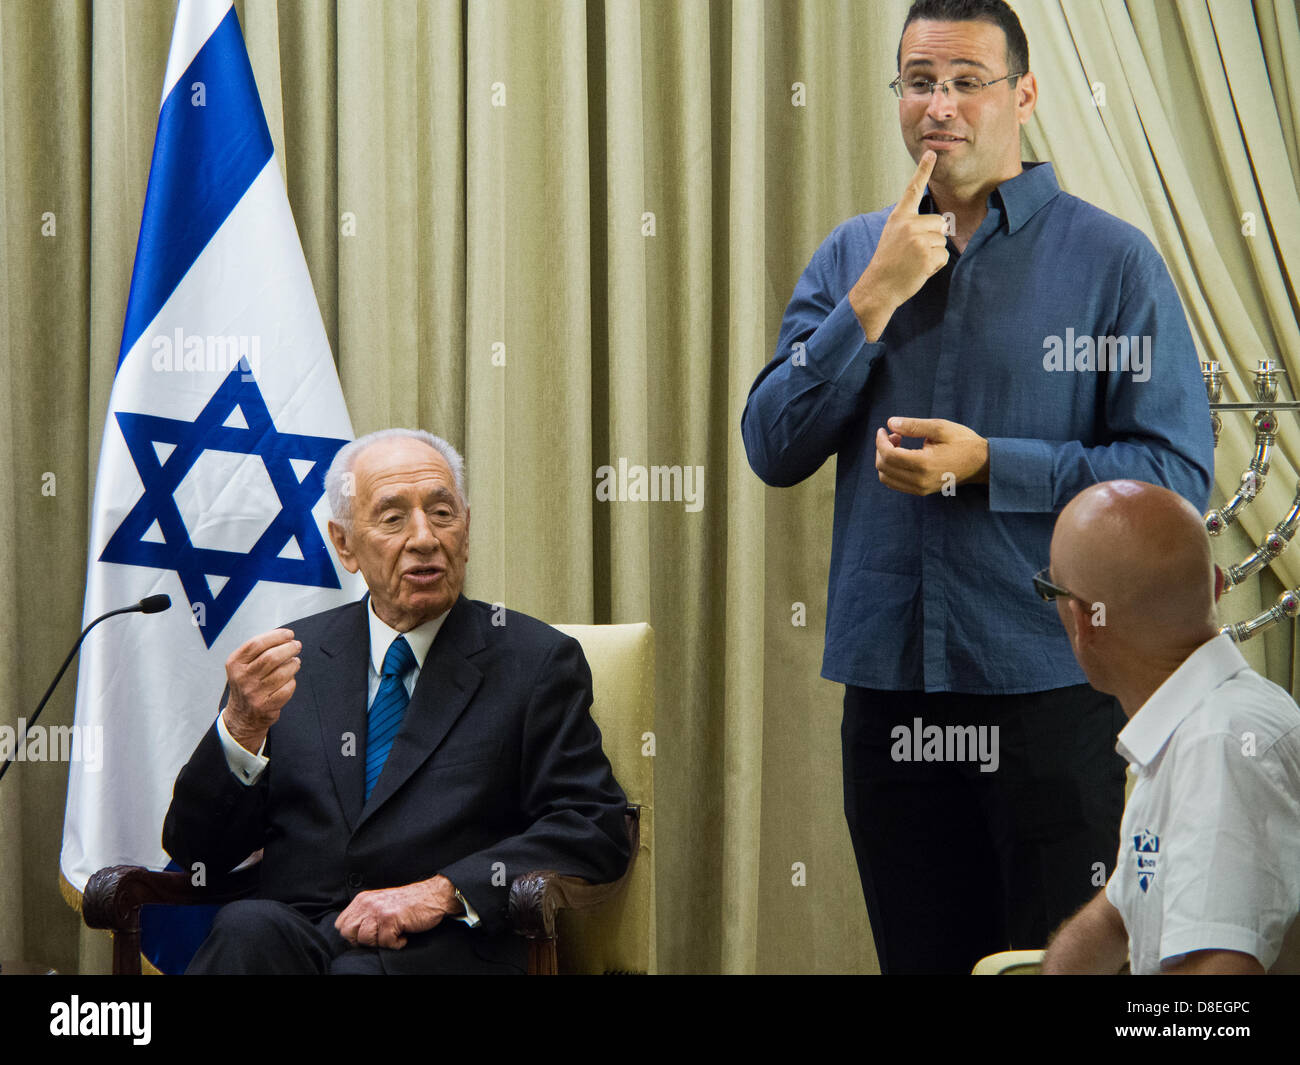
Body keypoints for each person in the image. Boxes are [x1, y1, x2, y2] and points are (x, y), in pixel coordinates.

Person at [740, 0, 1214, 973]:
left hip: (1051, 690)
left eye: (967, 81)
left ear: (1024, 96)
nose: (939, 105)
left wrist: (992, 463)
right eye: (920, 80)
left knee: (1061, 968)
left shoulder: (1111, 262)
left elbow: (1173, 475)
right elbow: (772, 445)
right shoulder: (850, 258)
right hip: (892, 700)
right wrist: (870, 298)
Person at [163, 428, 630, 974]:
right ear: (344, 545)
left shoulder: (534, 661)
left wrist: (441, 892)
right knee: (245, 928)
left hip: (446, 948)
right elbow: (198, 856)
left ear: (467, 528)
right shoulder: (290, 662)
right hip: (302, 939)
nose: (424, 537)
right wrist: (241, 729)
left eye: (442, 513)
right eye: (392, 518)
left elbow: (594, 824)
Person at [1040, 480, 1300, 975]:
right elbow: (1118, 919)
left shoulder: (1220, 745)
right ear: (1220, 584)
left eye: (1049, 589)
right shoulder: (1188, 726)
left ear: (1083, 620)